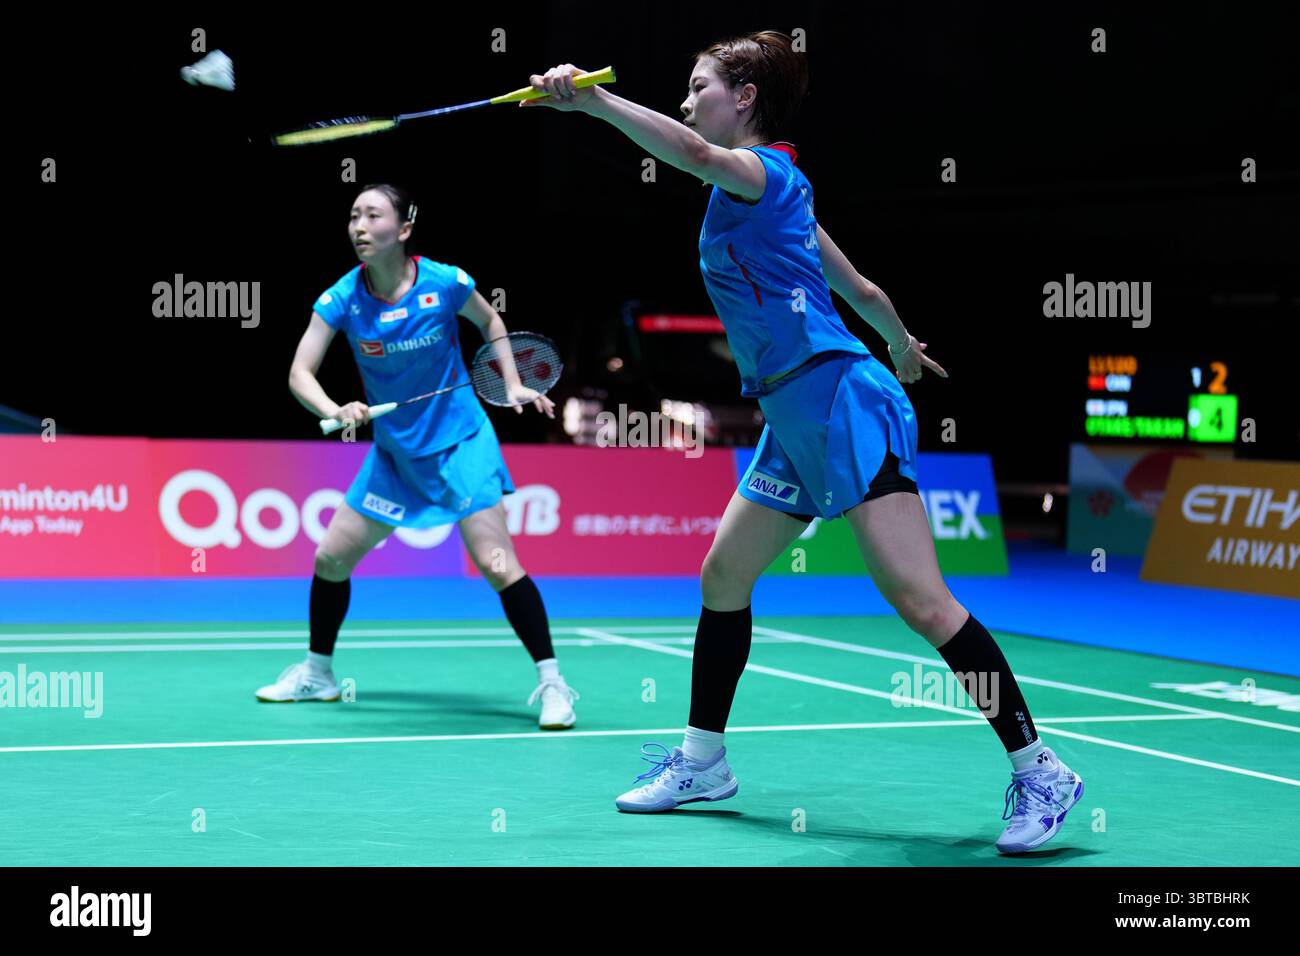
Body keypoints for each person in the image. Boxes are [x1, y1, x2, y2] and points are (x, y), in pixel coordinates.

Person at [524, 34, 1083, 851]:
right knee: (724, 574)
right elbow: (860, 286)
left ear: (745, 96)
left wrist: (593, 101)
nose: (687, 101)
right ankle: (703, 761)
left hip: (841, 402)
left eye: (700, 86)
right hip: (792, 415)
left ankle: (1042, 770)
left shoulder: (768, 174)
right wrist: (901, 342)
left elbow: (689, 152)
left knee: (922, 602)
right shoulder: (770, 199)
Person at [256, 183, 580, 731]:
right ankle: (318, 674)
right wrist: (336, 409)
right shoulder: (342, 298)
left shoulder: (445, 283)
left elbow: (491, 322)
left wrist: (511, 382)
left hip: (460, 445)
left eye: (372, 215)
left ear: (403, 229)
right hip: (396, 455)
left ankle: (553, 683)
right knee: (330, 559)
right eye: (353, 216)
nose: (359, 226)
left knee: (497, 564)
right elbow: (299, 373)